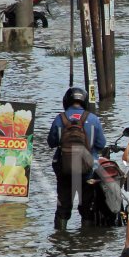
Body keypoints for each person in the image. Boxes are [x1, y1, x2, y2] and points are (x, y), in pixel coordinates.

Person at [47, 86, 106, 229]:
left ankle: (60, 235)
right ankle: (84, 238)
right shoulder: (93, 119)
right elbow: (101, 144)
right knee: (87, 208)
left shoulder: (59, 119)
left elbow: (51, 142)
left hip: (64, 169)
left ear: (67, 101)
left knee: (63, 206)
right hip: (87, 170)